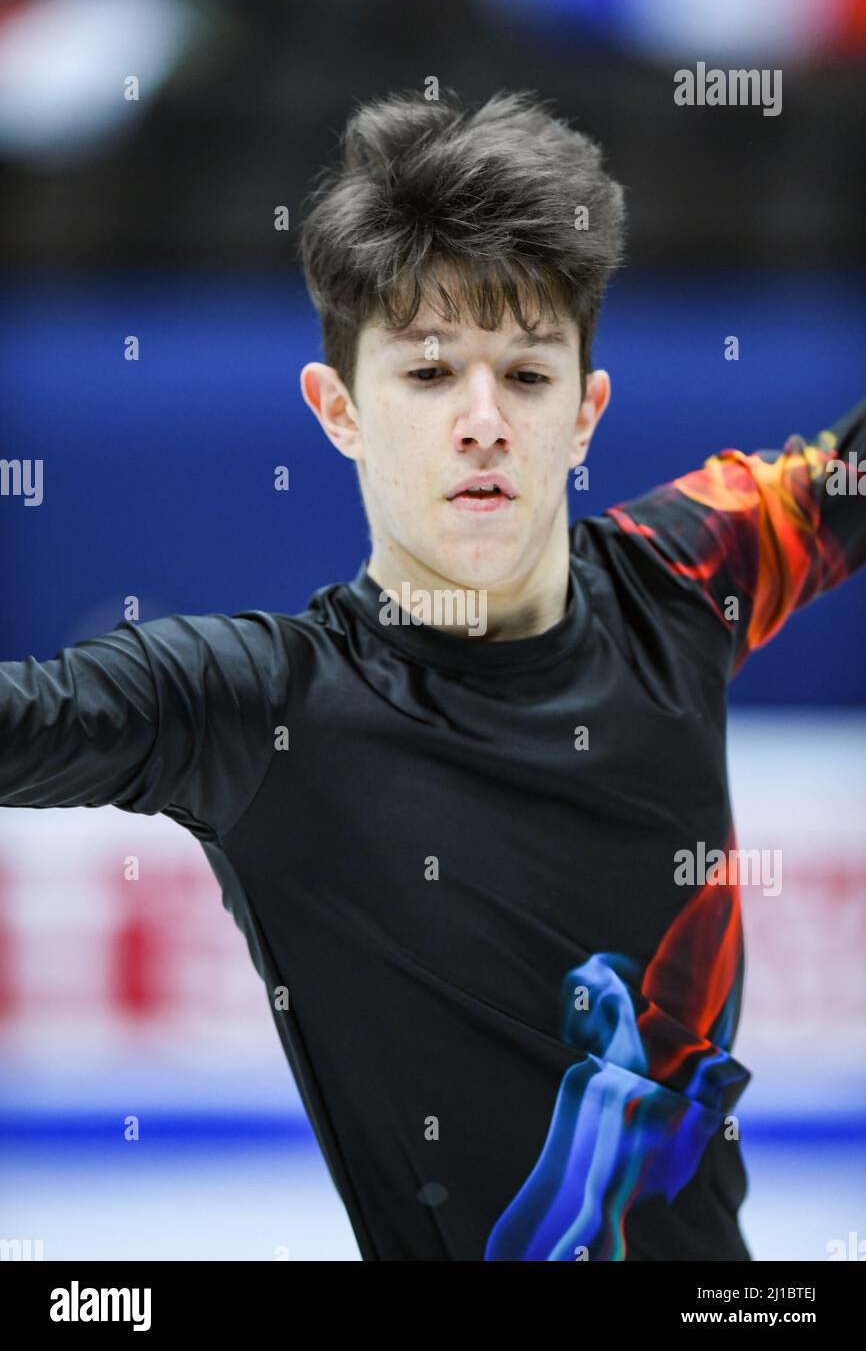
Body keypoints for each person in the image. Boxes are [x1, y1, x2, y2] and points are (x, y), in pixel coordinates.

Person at [2, 89, 863, 1261]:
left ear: (584, 411)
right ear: (338, 409)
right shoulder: (255, 707)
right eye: (425, 373)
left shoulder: (683, 575)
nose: (480, 422)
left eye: (523, 375)